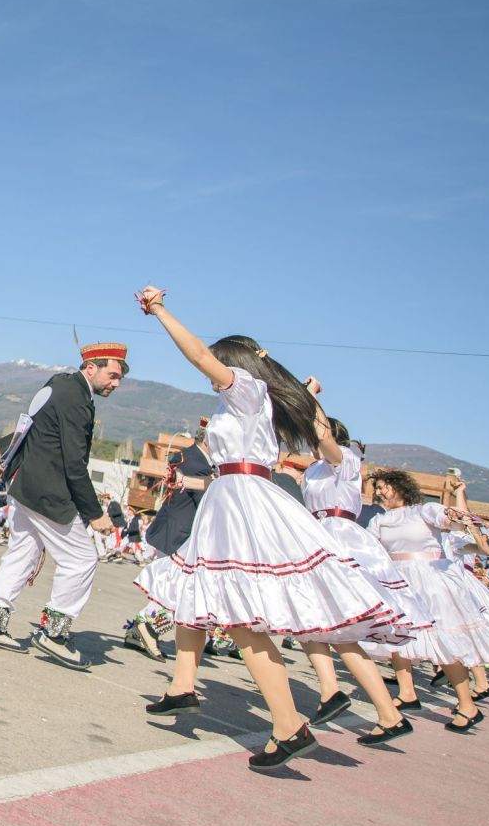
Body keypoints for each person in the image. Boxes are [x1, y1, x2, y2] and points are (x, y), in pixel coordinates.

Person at [131, 286, 418, 770]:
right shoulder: (246, 400)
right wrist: (310, 395)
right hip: (231, 498)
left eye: (221, 364)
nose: (211, 374)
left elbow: (199, 355)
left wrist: (159, 310)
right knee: (198, 591)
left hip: (242, 501)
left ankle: (287, 725)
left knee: (240, 616)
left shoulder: (245, 388)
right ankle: (183, 684)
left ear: (236, 364)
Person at [0, 342, 124, 669]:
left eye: (119, 378)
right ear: (91, 368)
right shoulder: (76, 399)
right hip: (48, 490)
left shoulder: (60, 384)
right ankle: (54, 634)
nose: (116, 383)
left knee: (22, 553)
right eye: (113, 375)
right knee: (81, 559)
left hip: (25, 482)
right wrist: (94, 513)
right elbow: (74, 463)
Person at [291, 382, 422, 743]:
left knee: (331, 628)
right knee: (309, 623)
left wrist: (310, 399)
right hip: (316, 538)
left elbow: (323, 436)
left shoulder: (346, 459)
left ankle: (365, 704)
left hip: (340, 540)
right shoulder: (312, 470)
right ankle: (343, 696)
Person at [365, 469, 489, 733]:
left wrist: (457, 508)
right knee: (398, 636)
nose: (379, 492)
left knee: (445, 643)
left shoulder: (424, 510)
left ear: (399, 487)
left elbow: (451, 519)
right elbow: (369, 549)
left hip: (431, 579)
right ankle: (407, 692)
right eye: (377, 488)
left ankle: (467, 705)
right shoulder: (379, 520)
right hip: (399, 581)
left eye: (383, 487)